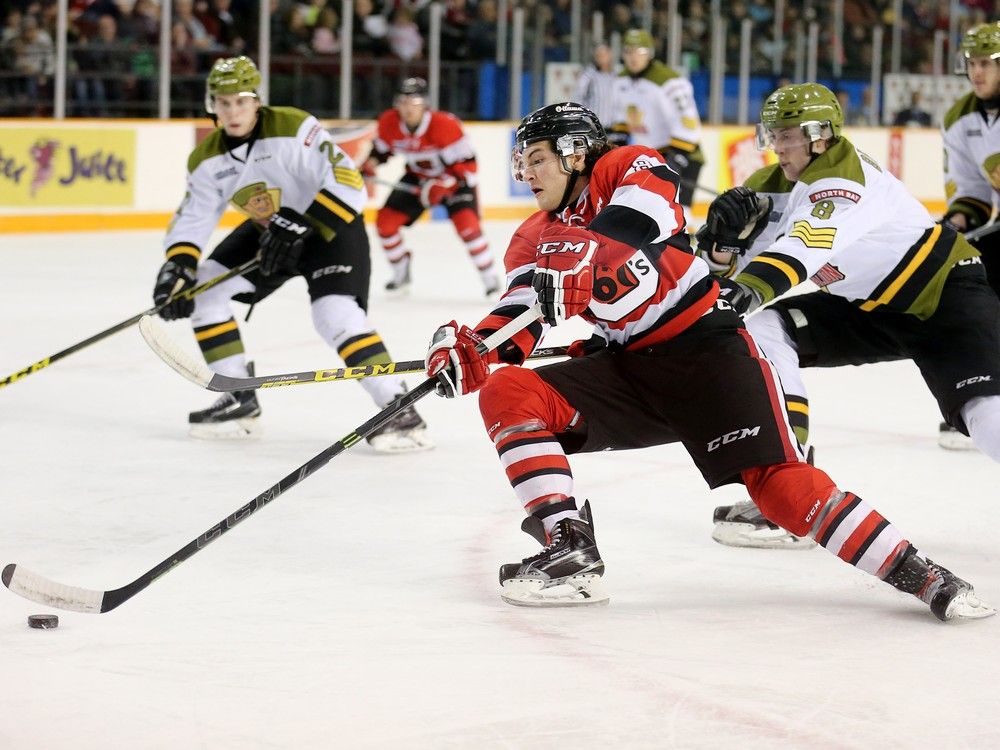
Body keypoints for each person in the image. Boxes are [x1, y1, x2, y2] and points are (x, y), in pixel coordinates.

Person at [421, 101, 994, 621]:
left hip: (709, 355)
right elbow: (522, 312)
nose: (524, 175)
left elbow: (642, 225)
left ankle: (923, 576)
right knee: (509, 391)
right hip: (630, 369)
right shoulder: (533, 237)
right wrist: (472, 349)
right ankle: (569, 549)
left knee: (783, 492)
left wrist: (583, 259)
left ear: (576, 152)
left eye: (537, 159)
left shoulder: (631, 166)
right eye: (520, 162)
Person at [696, 83, 1000, 550]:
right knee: (764, 330)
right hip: (866, 308)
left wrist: (747, 289)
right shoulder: (767, 190)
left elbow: (800, 250)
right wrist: (719, 247)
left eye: (789, 135)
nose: (778, 146)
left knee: (985, 419)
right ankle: (789, 486)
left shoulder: (845, 181)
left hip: (942, 295)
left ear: (821, 136)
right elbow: (724, 276)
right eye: (773, 135)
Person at [151, 56, 431, 452]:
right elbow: (193, 218)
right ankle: (238, 398)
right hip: (271, 234)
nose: (233, 112)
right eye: (224, 102)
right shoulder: (206, 158)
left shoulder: (292, 126)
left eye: (241, 102)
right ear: (212, 104)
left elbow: (347, 181)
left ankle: (398, 406)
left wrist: (304, 222)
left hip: (329, 226)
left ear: (257, 101)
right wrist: (177, 265)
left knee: (333, 314)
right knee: (204, 291)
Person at [363, 77, 500, 297]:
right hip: (417, 178)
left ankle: (490, 277)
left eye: (414, 102)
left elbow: (469, 166)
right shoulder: (389, 122)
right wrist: (369, 166)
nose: (408, 108)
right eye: (403, 101)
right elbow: (381, 151)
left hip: (454, 181)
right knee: (385, 223)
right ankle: (401, 273)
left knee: (468, 228)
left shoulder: (444, 125)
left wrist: (445, 185)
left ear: (425, 103)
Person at [939, 21, 1000, 449]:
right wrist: (955, 224)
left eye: (987, 63)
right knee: (974, 288)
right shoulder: (960, 118)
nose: (977, 72)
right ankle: (980, 395)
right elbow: (974, 192)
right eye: (972, 63)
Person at [609, 28, 704, 218]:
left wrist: (678, 155)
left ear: (650, 53)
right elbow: (620, 120)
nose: (633, 58)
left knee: (678, 214)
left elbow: (688, 122)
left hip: (683, 154)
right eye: (628, 52)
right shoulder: (620, 80)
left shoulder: (669, 81)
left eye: (640, 52)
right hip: (651, 156)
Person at [573, 42, 617, 128]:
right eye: (599, 55)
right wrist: (584, 120)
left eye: (604, 54)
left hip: (613, 127)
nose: (602, 57)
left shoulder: (616, 75)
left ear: (610, 55)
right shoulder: (588, 75)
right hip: (593, 126)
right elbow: (578, 98)